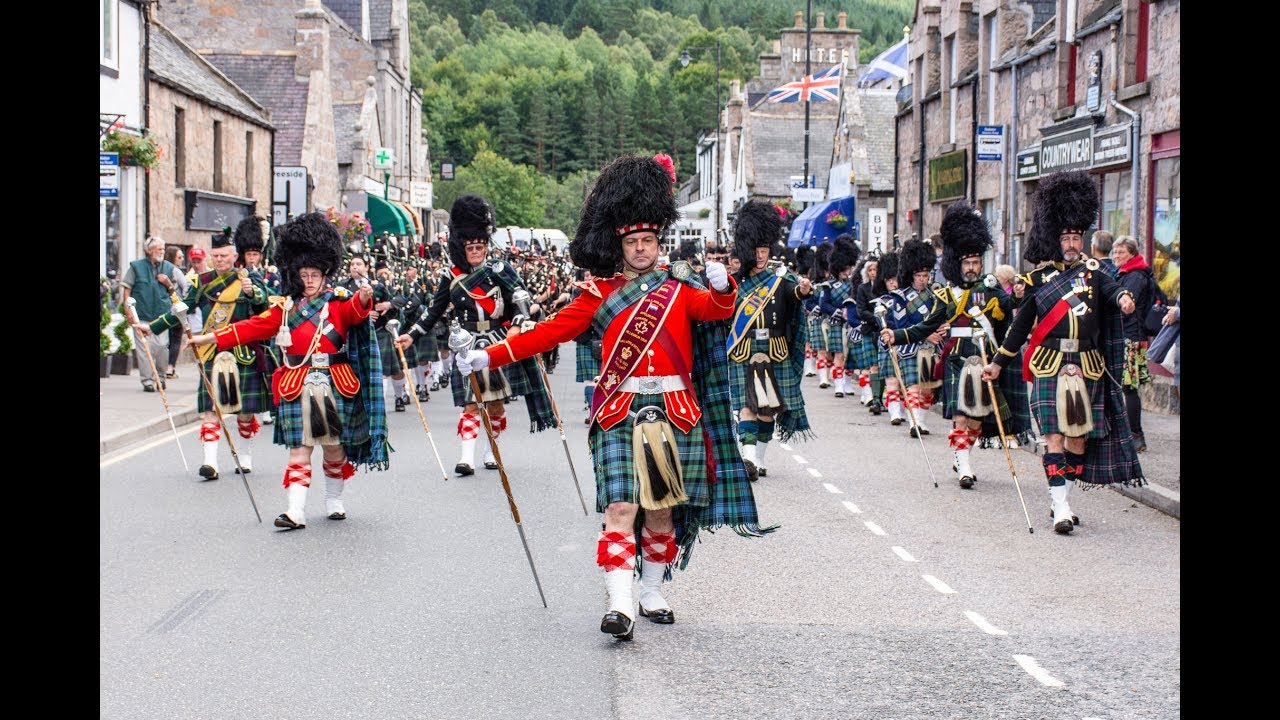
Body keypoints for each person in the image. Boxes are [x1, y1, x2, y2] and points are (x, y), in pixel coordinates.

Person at [452, 154, 768, 641]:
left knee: (660, 512)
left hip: (674, 411)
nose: (641, 249)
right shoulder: (599, 294)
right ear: (618, 246)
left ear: (658, 242)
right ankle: (619, 604)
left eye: (648, 241)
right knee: (620, 507)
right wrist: (489, 356)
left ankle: (649, 589)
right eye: (633, 242)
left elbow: (715, 312)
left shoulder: (681, 288)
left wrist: (726, 289)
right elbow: (549, 333)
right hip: (619, 411)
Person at [187, 212, 388, 529]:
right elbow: (250, 327)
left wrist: (363, 297)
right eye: (303, 274)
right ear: (295, 273)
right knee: (299, 451)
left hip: (335, 381)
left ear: (325, 272)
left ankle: (334, 500)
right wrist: (207, 338)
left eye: (314, 274)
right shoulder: (283, 309)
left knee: (334, 450)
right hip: (297, 382)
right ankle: (295, 511)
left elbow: (355, 312)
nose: (308, 280)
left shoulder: (337, 303)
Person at [982, 170, 1144, 534]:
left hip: (1086, 363)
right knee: (1053, 436)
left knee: (1078, 439)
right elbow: (1020, 329)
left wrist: (1125, 299)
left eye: (1076, 237)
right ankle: (1060, 507)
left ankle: (1063, 497)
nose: (1071, 243)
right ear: (1055, 240)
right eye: (1066, 237)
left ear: (1082, 238)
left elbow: (1114, 292)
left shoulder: (1096, 271)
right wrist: (996, 363)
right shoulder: (1037, 280)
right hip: (1049, 363)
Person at [394, 195, 557, 475]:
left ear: (485, 245)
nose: (476, 251)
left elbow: (520, 300)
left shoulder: (500, 270)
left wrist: (517, 326)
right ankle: (466, 457)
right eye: (470, 247)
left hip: (495, 342)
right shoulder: (451, 276)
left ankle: (490, 451)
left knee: (494, 404)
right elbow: (433, 311)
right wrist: (411, 335)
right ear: (462, 246)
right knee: (471, 402)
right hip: (466, 344)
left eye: (480, 246)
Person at [883, 203, 1015, 488]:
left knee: (977, 419)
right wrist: (898, 336)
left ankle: (962, 455)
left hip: (983, 358)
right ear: (958, 264)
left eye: (976, 263)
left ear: (982, 264)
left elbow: (1008, 324)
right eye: (967, 263)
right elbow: (924, 327)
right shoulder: (946, 296)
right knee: (960, 415)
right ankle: (964, 464)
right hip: (956, 358)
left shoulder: (992, 292)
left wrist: (1019, 296)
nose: (971, 268)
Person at [136, 229, 272, 479]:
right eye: (215, 256)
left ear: (234, 256)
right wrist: (152, 327)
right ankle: (210, 462)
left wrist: (252, 292)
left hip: (242, 353)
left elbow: (264, 307)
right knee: (212, 409)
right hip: (212, 352)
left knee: (244, 411)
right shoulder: (203, 281)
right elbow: (181, 309)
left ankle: (244, 456)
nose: (219, 260)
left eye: (224, 256)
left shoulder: (248, 278)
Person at [725, 199, 814, 481]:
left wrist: (803, 290)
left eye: (765, 250)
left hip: (774, 350)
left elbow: (793, 296)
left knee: (767, 412)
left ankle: (758, 459)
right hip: (743, 349)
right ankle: (748, 458)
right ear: (746, 250)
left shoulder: (780, 278)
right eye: (756, 250)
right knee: (747, 407)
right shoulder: (734, 284)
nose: (761, 255)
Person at [878, 238, 942, 437]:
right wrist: (926, 334)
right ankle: (914, 423)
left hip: (931, 349)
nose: (923, 279)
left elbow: (941, 318)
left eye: (926, 275)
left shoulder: (936, 296)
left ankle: (921, 421)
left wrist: (942, 329)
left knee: (927, 390)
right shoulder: (900, 297)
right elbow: (901, 324)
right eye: (919, 275)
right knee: (913, 386)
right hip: (909, 347)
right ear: (911, 275)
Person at [120, 237, 185, 393]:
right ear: (149, 251)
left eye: (163, 249)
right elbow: (127, 289)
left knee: (162, 348)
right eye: (158, 249)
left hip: (161, 315)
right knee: (144, 349)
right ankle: (147, 381)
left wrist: (168, 283)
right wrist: (127, 309)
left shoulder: (169, 268)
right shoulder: (136, 267)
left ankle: (160, 377)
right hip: (141, 313)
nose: (162, 252)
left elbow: (175, 292)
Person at [235, 214, 282, 426]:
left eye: (255, 254)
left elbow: (275, 295)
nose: (251, 258)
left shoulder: (270, 275)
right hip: (246, 326)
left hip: (266, 326)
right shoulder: (238, 275)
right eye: (248, 254)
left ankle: (268, 408)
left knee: (268, 368)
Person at [1110, 235, 1156, 452]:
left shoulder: (1135, 276)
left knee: (1129, 388)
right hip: (1126, 335)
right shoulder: (1125, 273)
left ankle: (1136, 436)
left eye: (1121, 252)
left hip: (1131, 338)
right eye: (1115, 252)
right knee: (1124, 387)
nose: (1116, 256)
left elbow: (1127, 303)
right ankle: (1127, 434)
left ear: (1132, 254)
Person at [847, 255, 881, 409]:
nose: (873, 272)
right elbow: (861, 310)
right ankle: (871, 397)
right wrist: (877, 318)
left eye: (876, 269)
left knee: (881, 366)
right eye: (870, 270)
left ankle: (879, 397)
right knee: (871, 366)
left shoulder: (883, 288)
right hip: (869, 329)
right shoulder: (862, 288)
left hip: (882, 331)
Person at [162, 245, 192, 379]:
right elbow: (185, 288)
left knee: (165, 340)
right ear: (172, 257)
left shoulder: (160, 269)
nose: (181, 260)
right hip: (175, 309)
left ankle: (162, 367)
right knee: (176, 339)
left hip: (163, 309)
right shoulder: (176, 271)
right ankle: (170, 368)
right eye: (179, 257)